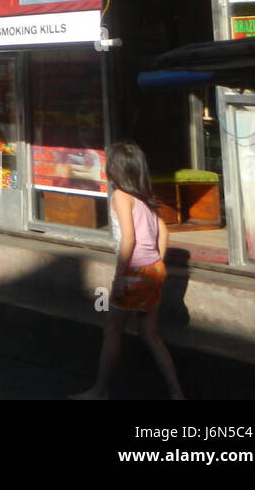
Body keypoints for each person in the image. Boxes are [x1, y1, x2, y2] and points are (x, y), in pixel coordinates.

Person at [72, 141, 185, 400]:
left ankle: (100, 390)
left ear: (115, 169)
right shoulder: (143, 200)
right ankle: (177, 393)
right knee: (151, 335)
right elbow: (164, 232)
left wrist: (119, 276)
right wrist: (157, 262)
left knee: (112, 331)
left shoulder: (121, 196)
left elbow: (129, 239)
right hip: (154, 270)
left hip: (135, 272)